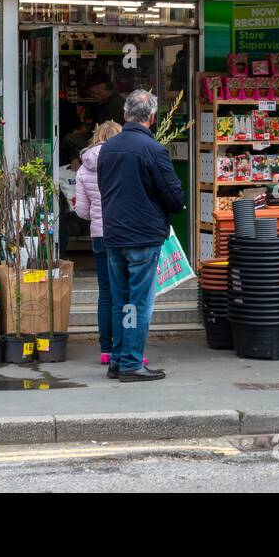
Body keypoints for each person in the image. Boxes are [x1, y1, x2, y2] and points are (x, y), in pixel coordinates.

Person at [98, 90, 184, 382]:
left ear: (125, 115)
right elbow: (174, 196)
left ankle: (119, 359)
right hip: (143, 238)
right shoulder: (153, 150)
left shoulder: (107, 149)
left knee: (122, 301)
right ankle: (132, 362)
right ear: (151, 117)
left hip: (114, 235)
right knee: (138, 303)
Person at [73, 120, 122, 366]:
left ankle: (105, 350)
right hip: (122, 232)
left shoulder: (84, 168)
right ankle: (121, 346)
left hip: (99, 234)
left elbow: (82, 212)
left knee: (105, 293)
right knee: (122, 291)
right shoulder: (123, 161)